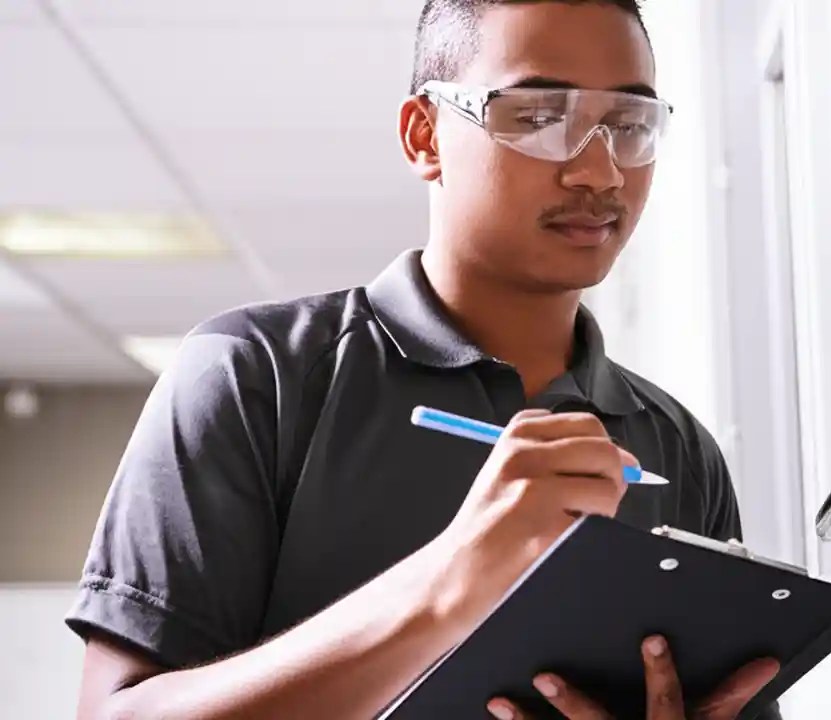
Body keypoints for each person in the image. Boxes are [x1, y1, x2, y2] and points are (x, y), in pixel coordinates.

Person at [68, 1, 783, 718]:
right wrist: (447, 584)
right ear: (425, 135)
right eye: (537, 117)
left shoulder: (680, 452)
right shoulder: (252, 377)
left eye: (629, 127)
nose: (599, 171)